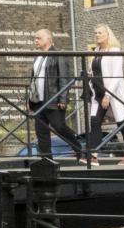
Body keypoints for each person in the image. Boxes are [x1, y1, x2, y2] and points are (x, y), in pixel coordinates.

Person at [26, 28, 89, 164]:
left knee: (59, 127)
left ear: (48, 39)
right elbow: (33, 79)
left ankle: (79, 149)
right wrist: (29, 100)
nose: (35, 41)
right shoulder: (37, 57)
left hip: (53, 99)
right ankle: (46, 160)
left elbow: (65, 78)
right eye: (35, 38)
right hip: (38, 101)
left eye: (38, 38)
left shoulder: (58, 54)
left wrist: (63, 98)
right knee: (41, 131)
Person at [87, 24, 124, 165]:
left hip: (112, 93)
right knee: (95, 122)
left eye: (100, 32)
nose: (97, 35)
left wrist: (108, 95)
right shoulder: (96, 51)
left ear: (107, 34)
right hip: (97, 93)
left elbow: (116, 75)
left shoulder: (114, 51)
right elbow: (93, 71)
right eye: (95, 32)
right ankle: (93, 156)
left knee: (122, 123)